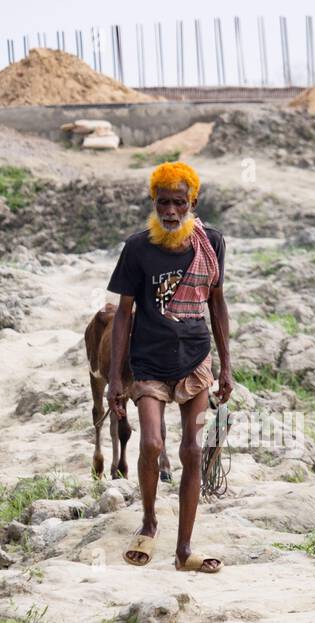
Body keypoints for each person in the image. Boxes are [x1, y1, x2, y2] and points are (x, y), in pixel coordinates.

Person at [106, 161, 233, 573]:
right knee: (152, 445)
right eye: (164, 203)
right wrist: (113, 378)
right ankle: (148, 521)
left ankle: (183, 550)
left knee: (193, 451)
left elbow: (217, 302)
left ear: (193, 202)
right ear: (153, 202)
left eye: (180, 203)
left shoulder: (210, 242)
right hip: (148, 362)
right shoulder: (137, 248)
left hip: (195, 360)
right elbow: (124, 314)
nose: (172, 211)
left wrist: (226, 366)